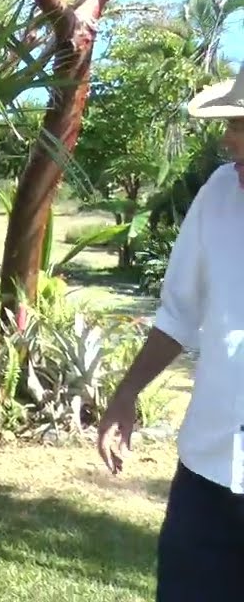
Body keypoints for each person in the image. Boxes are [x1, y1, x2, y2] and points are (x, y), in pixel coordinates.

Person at [97, 65, 244, 601]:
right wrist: (126, 393)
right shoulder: (219, 196)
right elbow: (179, 312)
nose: (229, 138)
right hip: (208, 467)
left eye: (242, 125)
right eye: (230, 122)